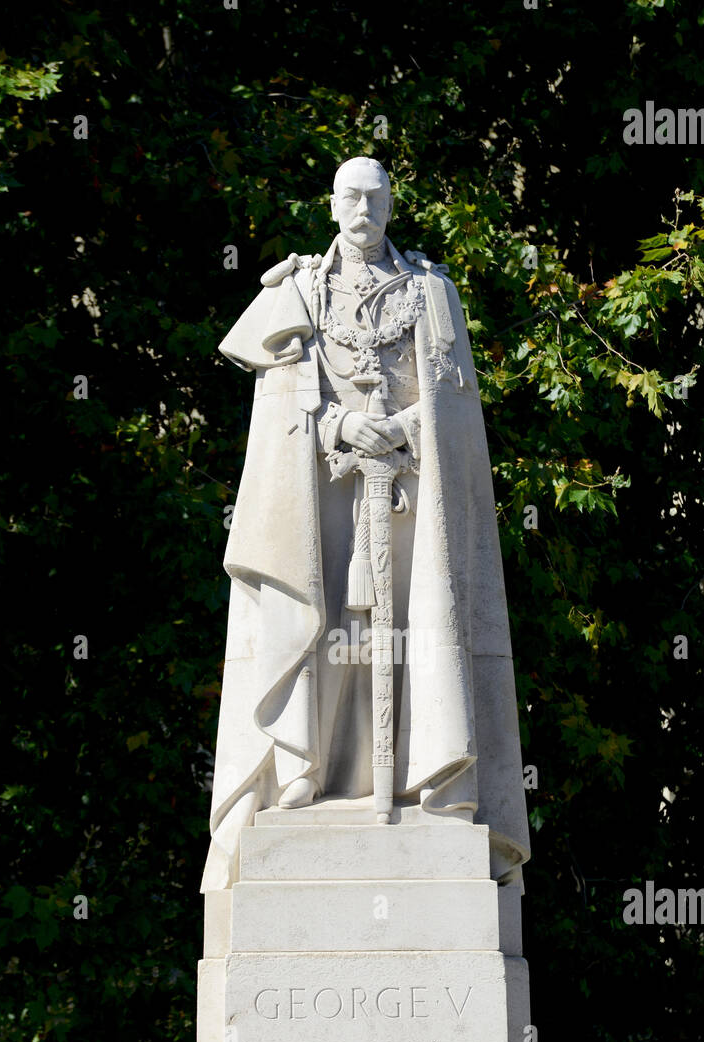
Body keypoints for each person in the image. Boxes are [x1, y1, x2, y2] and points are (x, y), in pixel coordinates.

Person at [202, 157, 529, 890]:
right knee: (318, 625)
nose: (364, 208)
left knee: (418, 633)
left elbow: (455, 409)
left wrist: (411, 425)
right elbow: (282, 407)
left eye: (376, 196)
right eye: (350, 195)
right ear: (331, 205)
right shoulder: (298, 292)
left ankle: (420, 778)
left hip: (414, 495)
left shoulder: (431, 293)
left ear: (390, 204)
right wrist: (342, 425)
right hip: (322, 489)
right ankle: (306, 769)